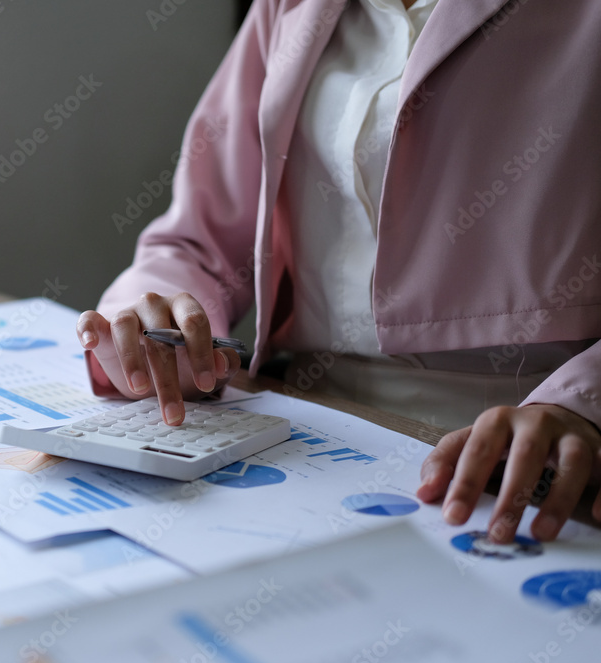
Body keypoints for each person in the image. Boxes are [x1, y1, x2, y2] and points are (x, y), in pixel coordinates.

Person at [76, 0, 601, 544]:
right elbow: (198, 239)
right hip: (305, 423)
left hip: (537, 458)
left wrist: (583, 406)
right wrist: (154, 320)